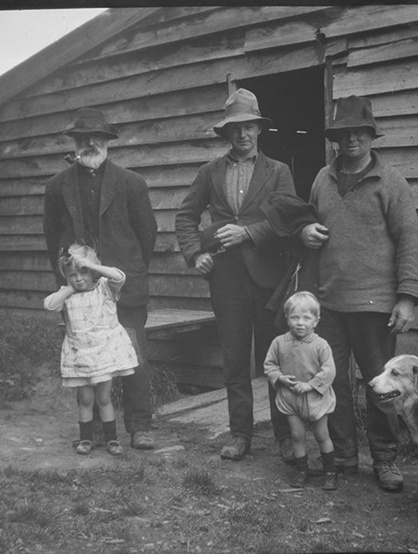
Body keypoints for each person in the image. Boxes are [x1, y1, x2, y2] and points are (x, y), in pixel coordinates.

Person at [300, 95, 418, 491]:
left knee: (381, 386)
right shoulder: (322, 178)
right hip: (329, 302)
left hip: (375, 304)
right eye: (343, 133)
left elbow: (408, 240)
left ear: (371, 135)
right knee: (331, 382)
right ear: (335, 138)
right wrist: (305, 231)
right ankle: (344, 455)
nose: (351, 139)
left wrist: (406, 297)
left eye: (359, 132)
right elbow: (307, 222)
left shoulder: (391, 182)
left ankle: (385, 460)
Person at [175, 89, 296, 462]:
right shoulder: (209, 172)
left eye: (250, 127)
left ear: (259, 130)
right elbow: (185, 217)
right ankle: (240, 435)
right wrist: (196, 255)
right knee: (234, 359)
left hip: (268, 280)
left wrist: (249, 233)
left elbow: (288, 219)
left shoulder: (278, 172)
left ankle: (285, 437)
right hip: (226, 280)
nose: (243, 135)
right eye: (236, 128)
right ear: (227, 133)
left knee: (276, 358)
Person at [44, 108, 158, 450]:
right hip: (80, 291)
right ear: (74, 144)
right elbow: (52, 238)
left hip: (123, 288)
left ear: (108, 142)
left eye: (96, 138)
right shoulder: (56, 187)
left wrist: (127, 273)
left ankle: (139, 426)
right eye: (82, 139)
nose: (89, 144)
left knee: (133, 355)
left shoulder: (131, 184)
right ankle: (92, 430)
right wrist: (71, 282)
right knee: (86, 358)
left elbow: (147, 235)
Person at [44, 244, 139, 456]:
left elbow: (119, 276)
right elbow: (49, 305)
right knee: (86, 400)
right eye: (72, 275)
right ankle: (86, 438)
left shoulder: (105, 287)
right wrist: (69, 288)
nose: (78, 278)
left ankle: (112, 439)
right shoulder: (67, 293)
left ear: (93, 270)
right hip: (80, 355)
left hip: (104, 353)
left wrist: (93, 265)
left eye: (83, 272)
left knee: (104, 398)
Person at [264, 292, 337, 490]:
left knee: (322, 435)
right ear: (287, 319)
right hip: (290, 398)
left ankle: (330, 471)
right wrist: (279, 377)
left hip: (315, 398)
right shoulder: (279, 343)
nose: (300, 323)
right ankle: (301, 469)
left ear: (316, 321)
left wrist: (310, 385)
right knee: (297, 435)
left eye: (306, 318)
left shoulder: (321, 345)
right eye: (295, 317)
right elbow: (269, 365)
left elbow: (329, 370)